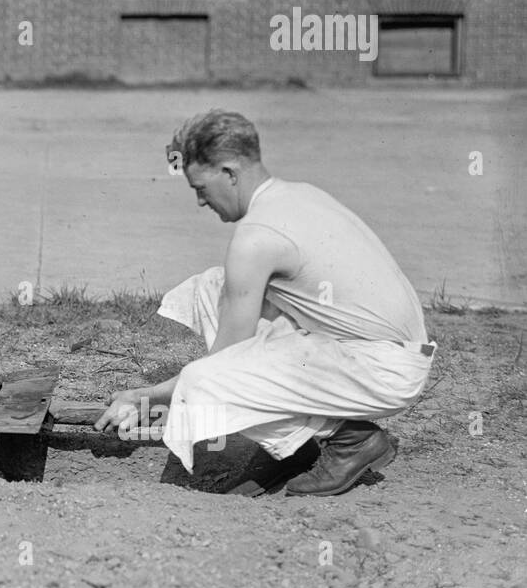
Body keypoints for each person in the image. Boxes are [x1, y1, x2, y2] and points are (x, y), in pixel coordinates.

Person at [95, 109, 436, 496]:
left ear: (229, 172)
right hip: (381, 349)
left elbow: (224, 364)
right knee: (212, 288)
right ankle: (294, 445)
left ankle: (350, 440)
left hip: (383, 367)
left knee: (203, 382)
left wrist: (146, 396)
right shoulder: (301, 194)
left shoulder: (255, 237)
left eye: (200, 188)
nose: (200, 203)